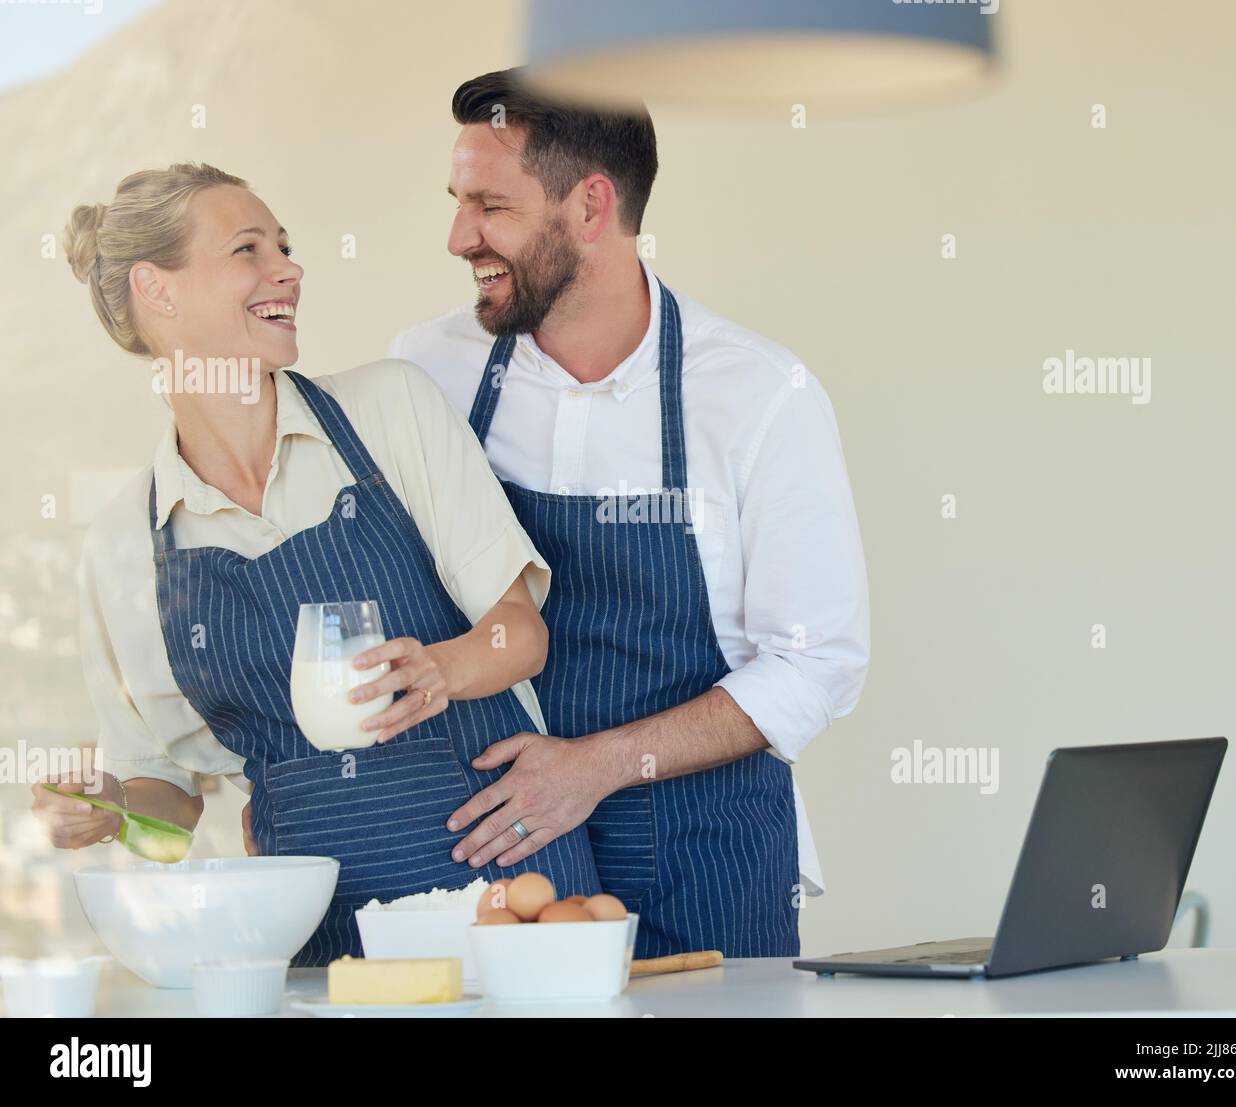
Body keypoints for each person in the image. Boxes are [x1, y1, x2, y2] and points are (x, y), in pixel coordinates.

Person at [32, 162, 600, 964]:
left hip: (503, 897)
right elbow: (172, 796)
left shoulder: (388, 411)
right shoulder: (127, 541)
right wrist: (114, 806)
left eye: (287, 246)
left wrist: (440, 668)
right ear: (156, 290)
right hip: (312, 949)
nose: (288, 269)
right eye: (248, 250)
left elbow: (521, 634)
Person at [387, 71, 872, 958]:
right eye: (458, 202)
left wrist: (595, 765)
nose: (460, 237)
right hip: (502, 857)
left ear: (590, 206)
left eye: (491, 205)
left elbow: (817, 664)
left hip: (708, 858)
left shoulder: (759, 396)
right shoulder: (428, 371)